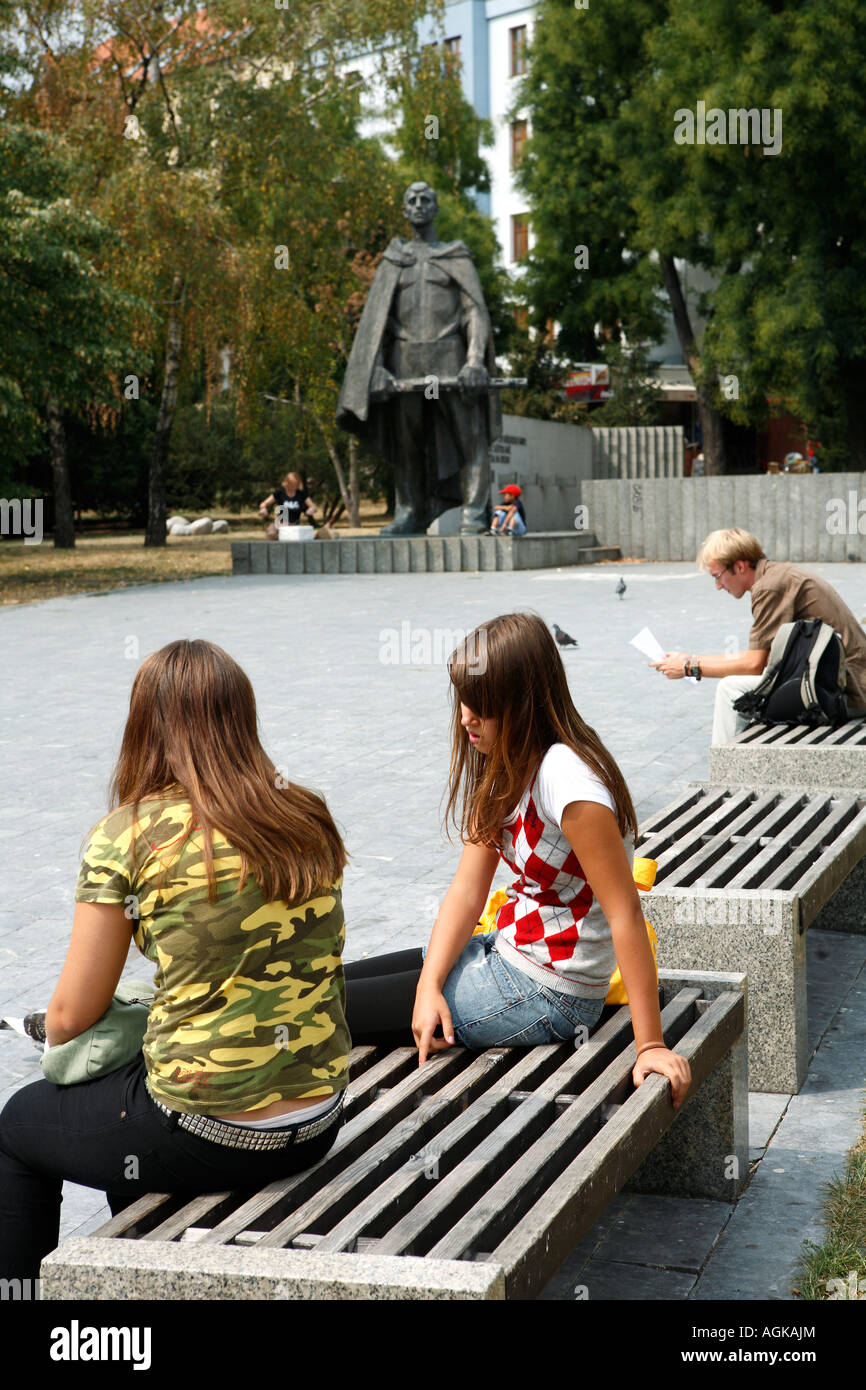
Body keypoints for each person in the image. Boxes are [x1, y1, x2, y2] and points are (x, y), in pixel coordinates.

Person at [0, 640, 349, 1281]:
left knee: (20, 1125)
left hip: (210, 1134)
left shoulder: (127, 836)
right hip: (320, 1114)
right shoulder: (304, 813)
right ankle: (139, 1276)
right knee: (125, 1111)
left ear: (144, 726)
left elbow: (70, 1016)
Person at [344, 613, 691, 1110]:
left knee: (328, 1010)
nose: (466, 716)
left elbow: (624, 913)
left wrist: (651, 1046)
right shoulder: (504, 763)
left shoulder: (569, 784)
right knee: (329, 986)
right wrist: (428, 986)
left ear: (523, 702)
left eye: (481, 705)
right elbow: (467, 893)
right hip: (502, 953)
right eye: (463, 699)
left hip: (552, 993)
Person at [336, 181, 500, 537]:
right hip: (405, 361)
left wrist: (474, 360)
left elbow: (475, 311)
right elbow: (376, 322)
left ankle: (474, 512)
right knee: (406, 444)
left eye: (426, 199)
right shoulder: (394, 261)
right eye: (412, 200)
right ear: (404, 210)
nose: (419, 204)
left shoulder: (455, 256)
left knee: (469, 438)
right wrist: (376, 367)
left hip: (451, 359)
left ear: (436, 208)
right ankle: (409, 510)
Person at [651, 528, 866, 744]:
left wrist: (690, 667)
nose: (717, 586)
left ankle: (725, 773)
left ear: (740, 566)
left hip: (848, 690)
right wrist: (690, 659)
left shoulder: (770, 587)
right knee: (738, 686)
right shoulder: (775, 576)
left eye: (717, 576)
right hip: (836, 680)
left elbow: (754, 664)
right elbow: (760, 662)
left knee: (730, 689)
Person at [259, 471, 317, 538]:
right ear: (287, 483)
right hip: (280, 523)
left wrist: (311, 509)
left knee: (291, 537)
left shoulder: (301, 494)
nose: (294, 487)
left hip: (293, 525)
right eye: (292, 484)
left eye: (296, 484)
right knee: (271, 533)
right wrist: (263, 508)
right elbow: (263, 504)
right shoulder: (280, 493)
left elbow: (313, 506)